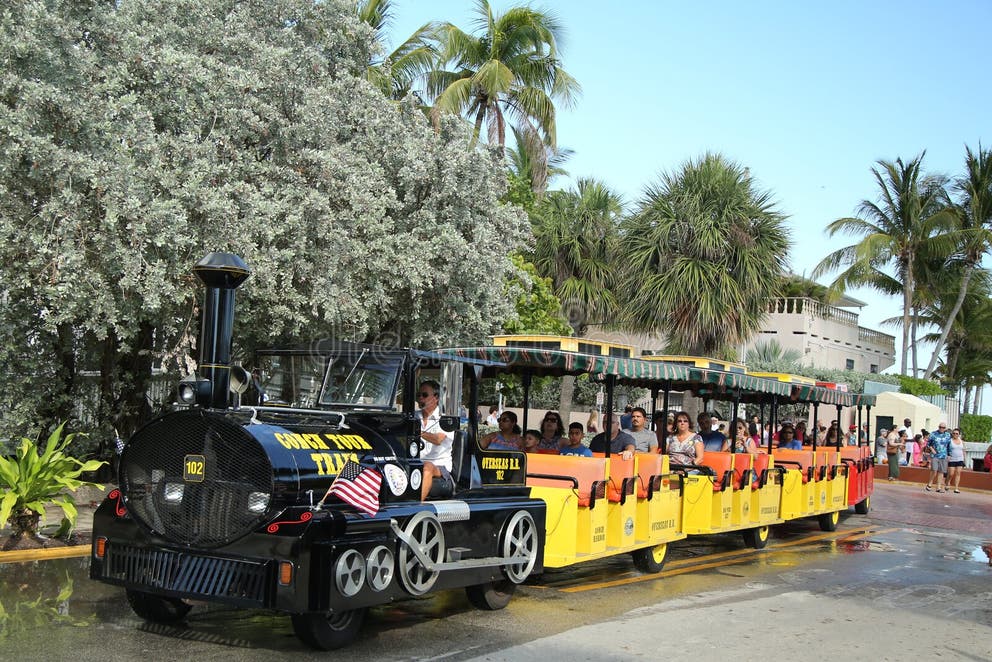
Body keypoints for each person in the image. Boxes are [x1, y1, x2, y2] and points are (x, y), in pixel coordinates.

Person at [417, 380, 455, 500]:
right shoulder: (414, 416)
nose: (420, 398)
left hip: (440, 466)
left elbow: (438, 439)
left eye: (424, 395)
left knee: (427, 467)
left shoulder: (446, 419)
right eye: (418, 395)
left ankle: (415, 506)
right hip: (416, 462)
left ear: (436, 397)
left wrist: (416, 432)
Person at [924, 422, 951, 493]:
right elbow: (928, 444)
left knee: (941, 471)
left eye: (943, 427)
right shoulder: (933, 434)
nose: (941, 428)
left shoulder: (948, 435)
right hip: (935, 455)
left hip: (943, 455)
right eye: (940, 427)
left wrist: (949, 454)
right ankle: (930, 483)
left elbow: (949, 445)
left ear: (945, 428)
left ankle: (938, 486)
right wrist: (932, 449)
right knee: (934, 470)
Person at [947, 428, 965, 493]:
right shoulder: (950, 441)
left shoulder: (962, 441)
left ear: (959, 434)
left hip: (960, 459)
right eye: (954, 433)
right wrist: (948, 456)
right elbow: (947, 449)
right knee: (951, 473)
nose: (955, 434)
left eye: (956, 433)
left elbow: (963, 450)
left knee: (958, 473)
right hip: (952, 459)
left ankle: (956, 488)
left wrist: (964, 460)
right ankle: (948, 482)